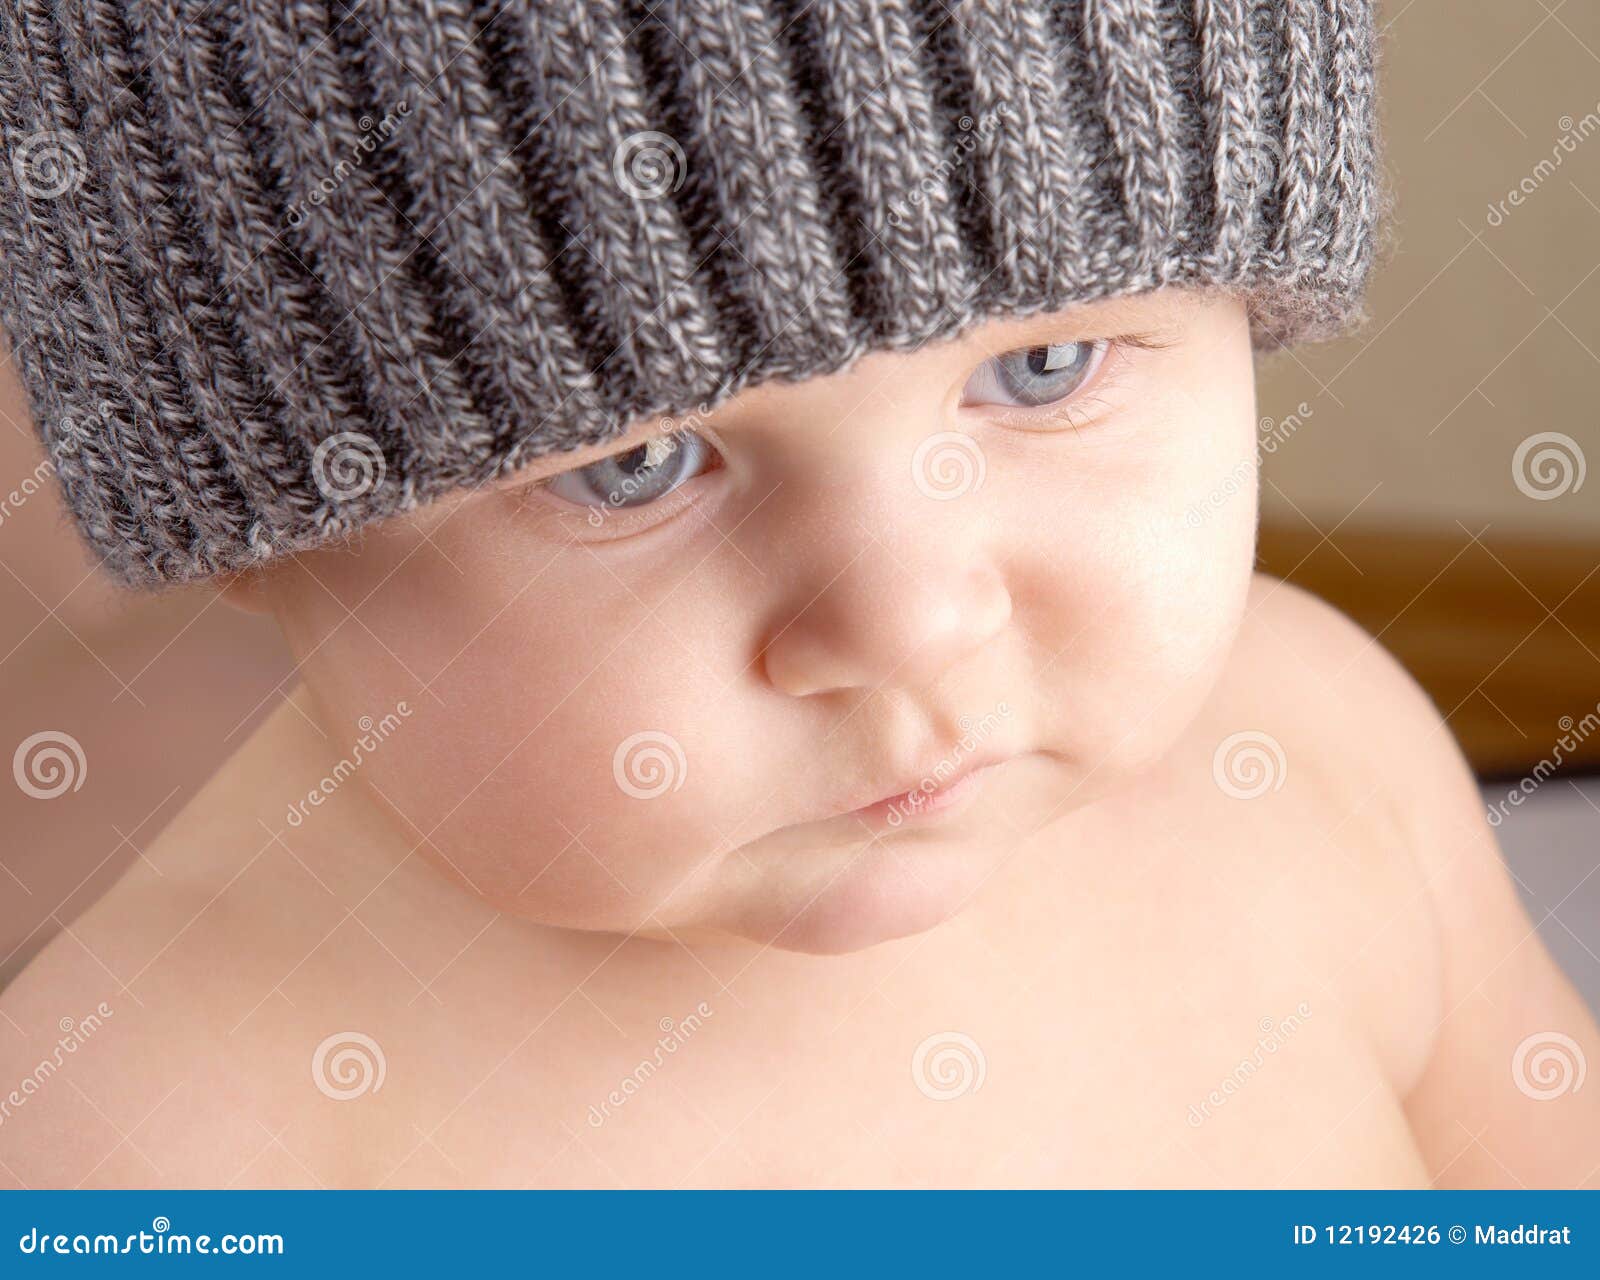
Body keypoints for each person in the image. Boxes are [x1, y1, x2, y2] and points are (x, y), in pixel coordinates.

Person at [0, 0, 1594, 1188]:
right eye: (634, 466)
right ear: (257, 533)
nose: (911, 620)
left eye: (1043, 366)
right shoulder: (150, 1122)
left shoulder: (1326, 758)